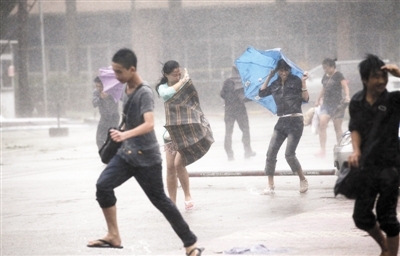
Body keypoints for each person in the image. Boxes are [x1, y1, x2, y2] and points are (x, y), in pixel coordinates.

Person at [87, 49, 203, 256]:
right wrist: (121, 133)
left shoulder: (145, 92)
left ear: (132, 69)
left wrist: (125, 135)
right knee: (102, 186)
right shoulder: (125, 90)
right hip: (127, 154)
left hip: (147, 157)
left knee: (161, 201)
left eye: (119, 72)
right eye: (114, 72)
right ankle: (113, 235)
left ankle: (190, 244)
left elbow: (149, 124)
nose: (116, 76)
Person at [347, 54, 400, 256]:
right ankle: (385, 247)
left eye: (384, 77)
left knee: (387, 218)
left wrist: (399, 74)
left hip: (390, 166)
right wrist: (356, 150)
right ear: (364, 79)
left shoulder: (394, 100)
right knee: (361, 216)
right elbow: (355, 128)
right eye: (376, 77)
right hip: (367, 167)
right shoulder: (357, 102)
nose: (381, 81)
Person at [258, 59, 309, 195]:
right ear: (277, 71)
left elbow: (305, 98)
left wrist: (304, 82)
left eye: (285, 70)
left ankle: (302, 179)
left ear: (289, 70)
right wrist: (269, 76)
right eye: (280, 70)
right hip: (282, 121)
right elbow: (262, 93)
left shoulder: (296, 80)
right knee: (271, 153)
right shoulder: (274, 84)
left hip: (296, 120)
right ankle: (270, 185)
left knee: (289, 155)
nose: (283, 72)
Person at [155, 60, 194, 210]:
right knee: (170, 167)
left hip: (185, 132)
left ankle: (188, 195)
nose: (177, 76)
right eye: (174, 74)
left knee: (179, 164)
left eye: (179, 74)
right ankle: (172, 201)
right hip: (170, 133)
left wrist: (186, 82)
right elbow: (167, 94)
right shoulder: (162, 88)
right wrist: (183, 81)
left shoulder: (185, 85)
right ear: (166, 74)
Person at [314, 58, 350, 158]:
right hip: (326, 104)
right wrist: (318, 99)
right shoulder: (325, 76)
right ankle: (322, 150)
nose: (324, 70)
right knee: (322, 124)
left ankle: (340, 148)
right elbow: (323, 88)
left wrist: (347, 96)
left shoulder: (338, 75)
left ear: (332, 67)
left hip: (337, 105)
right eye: (323, 68)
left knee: (337, 128)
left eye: (326, 68)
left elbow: (345, 86)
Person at [220, 66, 256, 161]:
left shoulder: (227, 81)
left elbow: (222, 94)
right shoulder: (243, 83)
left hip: (229, 110)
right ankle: (247, 150)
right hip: (240, 110)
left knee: (228, 132)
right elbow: (246, 98)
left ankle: (229, 154)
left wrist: (229, 99)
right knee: (245, 130)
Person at [92, 77, 120, 150]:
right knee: (99, 139)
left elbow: (120, 98)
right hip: (104, 117)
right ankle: (104, 153)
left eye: (100, 86)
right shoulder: (96, 92)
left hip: (114, 117)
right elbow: (94, 103)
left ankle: (115, 153)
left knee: (113, 137)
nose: (98, 88)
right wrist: (101, 98)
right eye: (96, 86)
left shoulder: (113, 90)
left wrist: (110, 94)